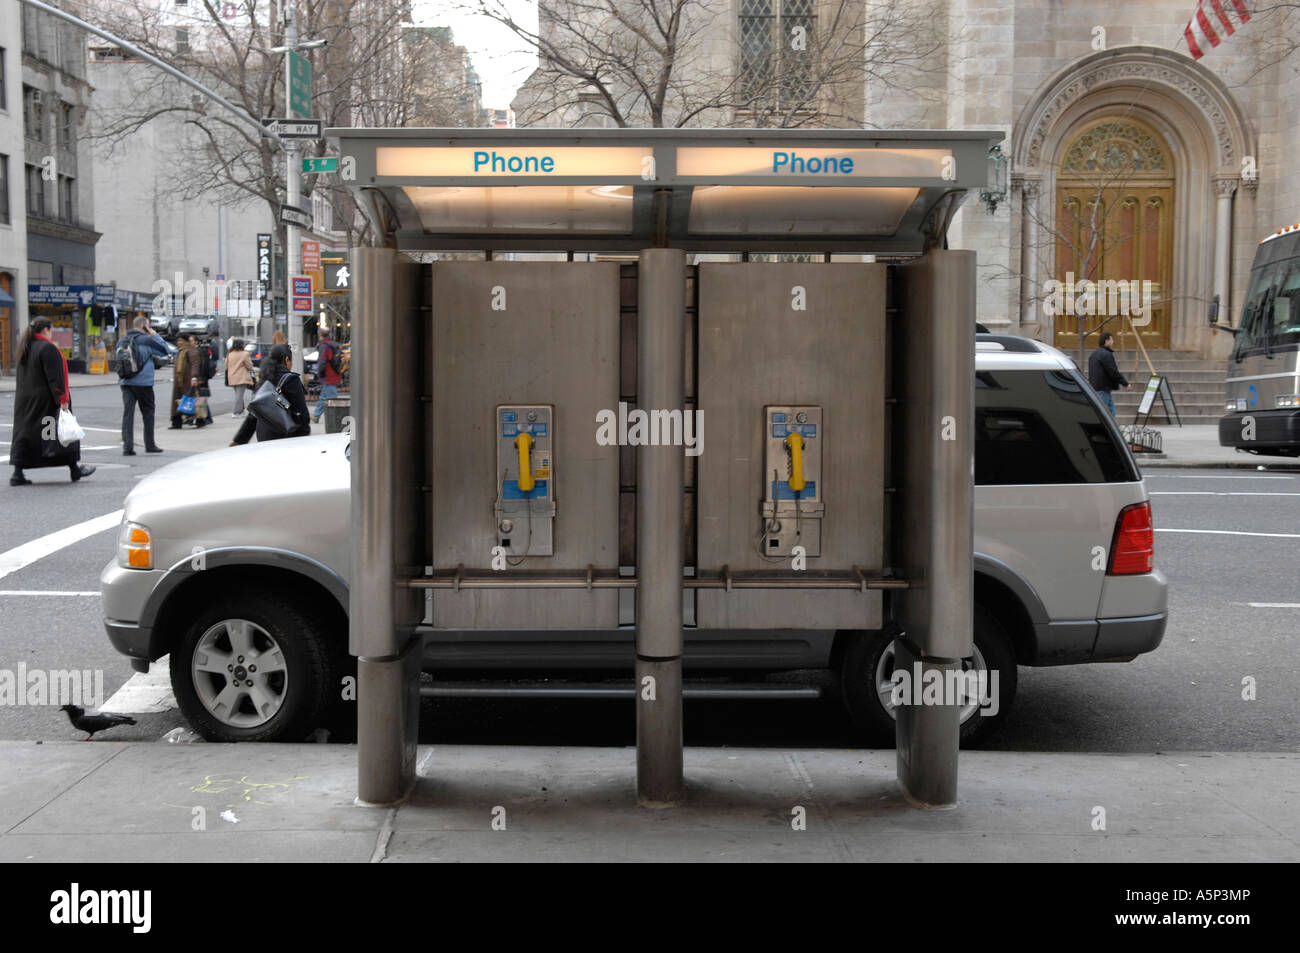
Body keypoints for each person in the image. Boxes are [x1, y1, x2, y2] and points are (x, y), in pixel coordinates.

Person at [8, 317, 95, 485]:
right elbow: (56, 377)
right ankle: (74, 469)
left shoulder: (25, 347)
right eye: (51, 329)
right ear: (46, 329)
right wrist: (63, 399)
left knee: (26, 434)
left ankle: (17, 472)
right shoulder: (47, 348)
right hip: (46, 401)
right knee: (61, 432)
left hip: (25, 400)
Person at [230, 343, 311, 445]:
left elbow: (254, 413)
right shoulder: (291, 379)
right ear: (287, 360)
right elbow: (303, 415)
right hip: (287, 436)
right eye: (291, 361)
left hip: (264, 435)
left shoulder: (264, 379)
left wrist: (239, 440)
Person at [117, 315, 170, 456]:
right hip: (143, 383)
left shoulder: (122, 340)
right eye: (148, 326)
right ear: (144, 326)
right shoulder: (146, 340)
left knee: (128, 414)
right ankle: (150, 445)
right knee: (148, 413)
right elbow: (166, 350)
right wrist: (155, 336)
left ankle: (127, 447)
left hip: (125, 381)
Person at [1087, 331, 1131, 417]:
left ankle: (1111, 430)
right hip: (1103, 389)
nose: (1113, 342)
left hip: (1098, 388)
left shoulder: (1093, 355)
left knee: (1111, 413)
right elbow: (1113, 372)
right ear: (1106, 341)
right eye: (1111, 339)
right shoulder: (1106, 355)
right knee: (1105, 415)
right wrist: (1125, 384)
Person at [311, 329, 343, 423]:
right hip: (334, 374)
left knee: (331, 398)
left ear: (320, 335)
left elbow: (322, 361)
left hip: (328, 375)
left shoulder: (325, 346)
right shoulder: (333, 345)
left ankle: (337, 418)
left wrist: (319, 373)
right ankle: (316, 415)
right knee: (324, 396)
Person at [169, 335, 199, 429]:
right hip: (179, 381)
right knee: (176, 402)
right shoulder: (180, 351)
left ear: (186, 341)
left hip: (187, 381)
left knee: (192, 401)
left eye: (181, 340)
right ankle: (176, 423)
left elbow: (195, 364)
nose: (179, 343)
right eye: (178, 341)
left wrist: (194, 377)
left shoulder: (190, 351)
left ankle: (200, 420)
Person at [226, 338, 254, 416]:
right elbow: (249, 366)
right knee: (239, 396)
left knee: (238, 395)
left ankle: (241, 411)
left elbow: (226, 366)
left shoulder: (230, 354)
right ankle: (236, 412)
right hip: (241, 377)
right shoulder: (245, 354)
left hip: (231, 377)